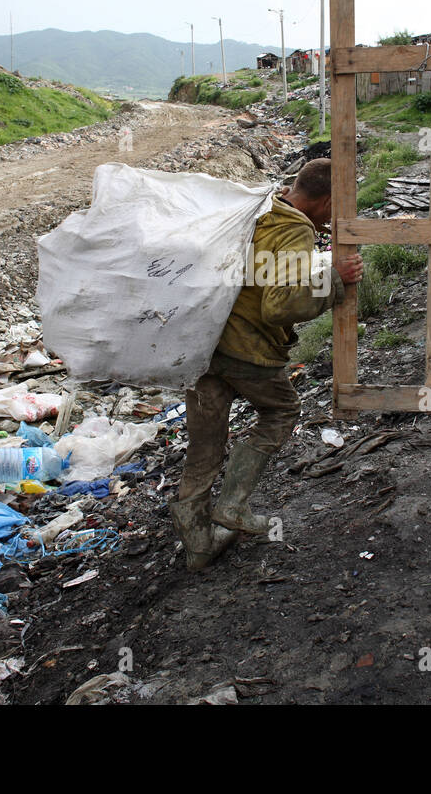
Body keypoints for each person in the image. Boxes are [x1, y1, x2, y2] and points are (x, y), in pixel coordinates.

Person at [170, 158, 364, 569]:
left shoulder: (263, 208)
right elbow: (280, 305)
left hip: (206, 344)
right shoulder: (295, 229)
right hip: (247, 348)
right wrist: (334, 280)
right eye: (337, 207)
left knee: (206, 442)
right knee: (280, 412)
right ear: (327, 201)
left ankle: (199, 545)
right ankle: (233, 506)